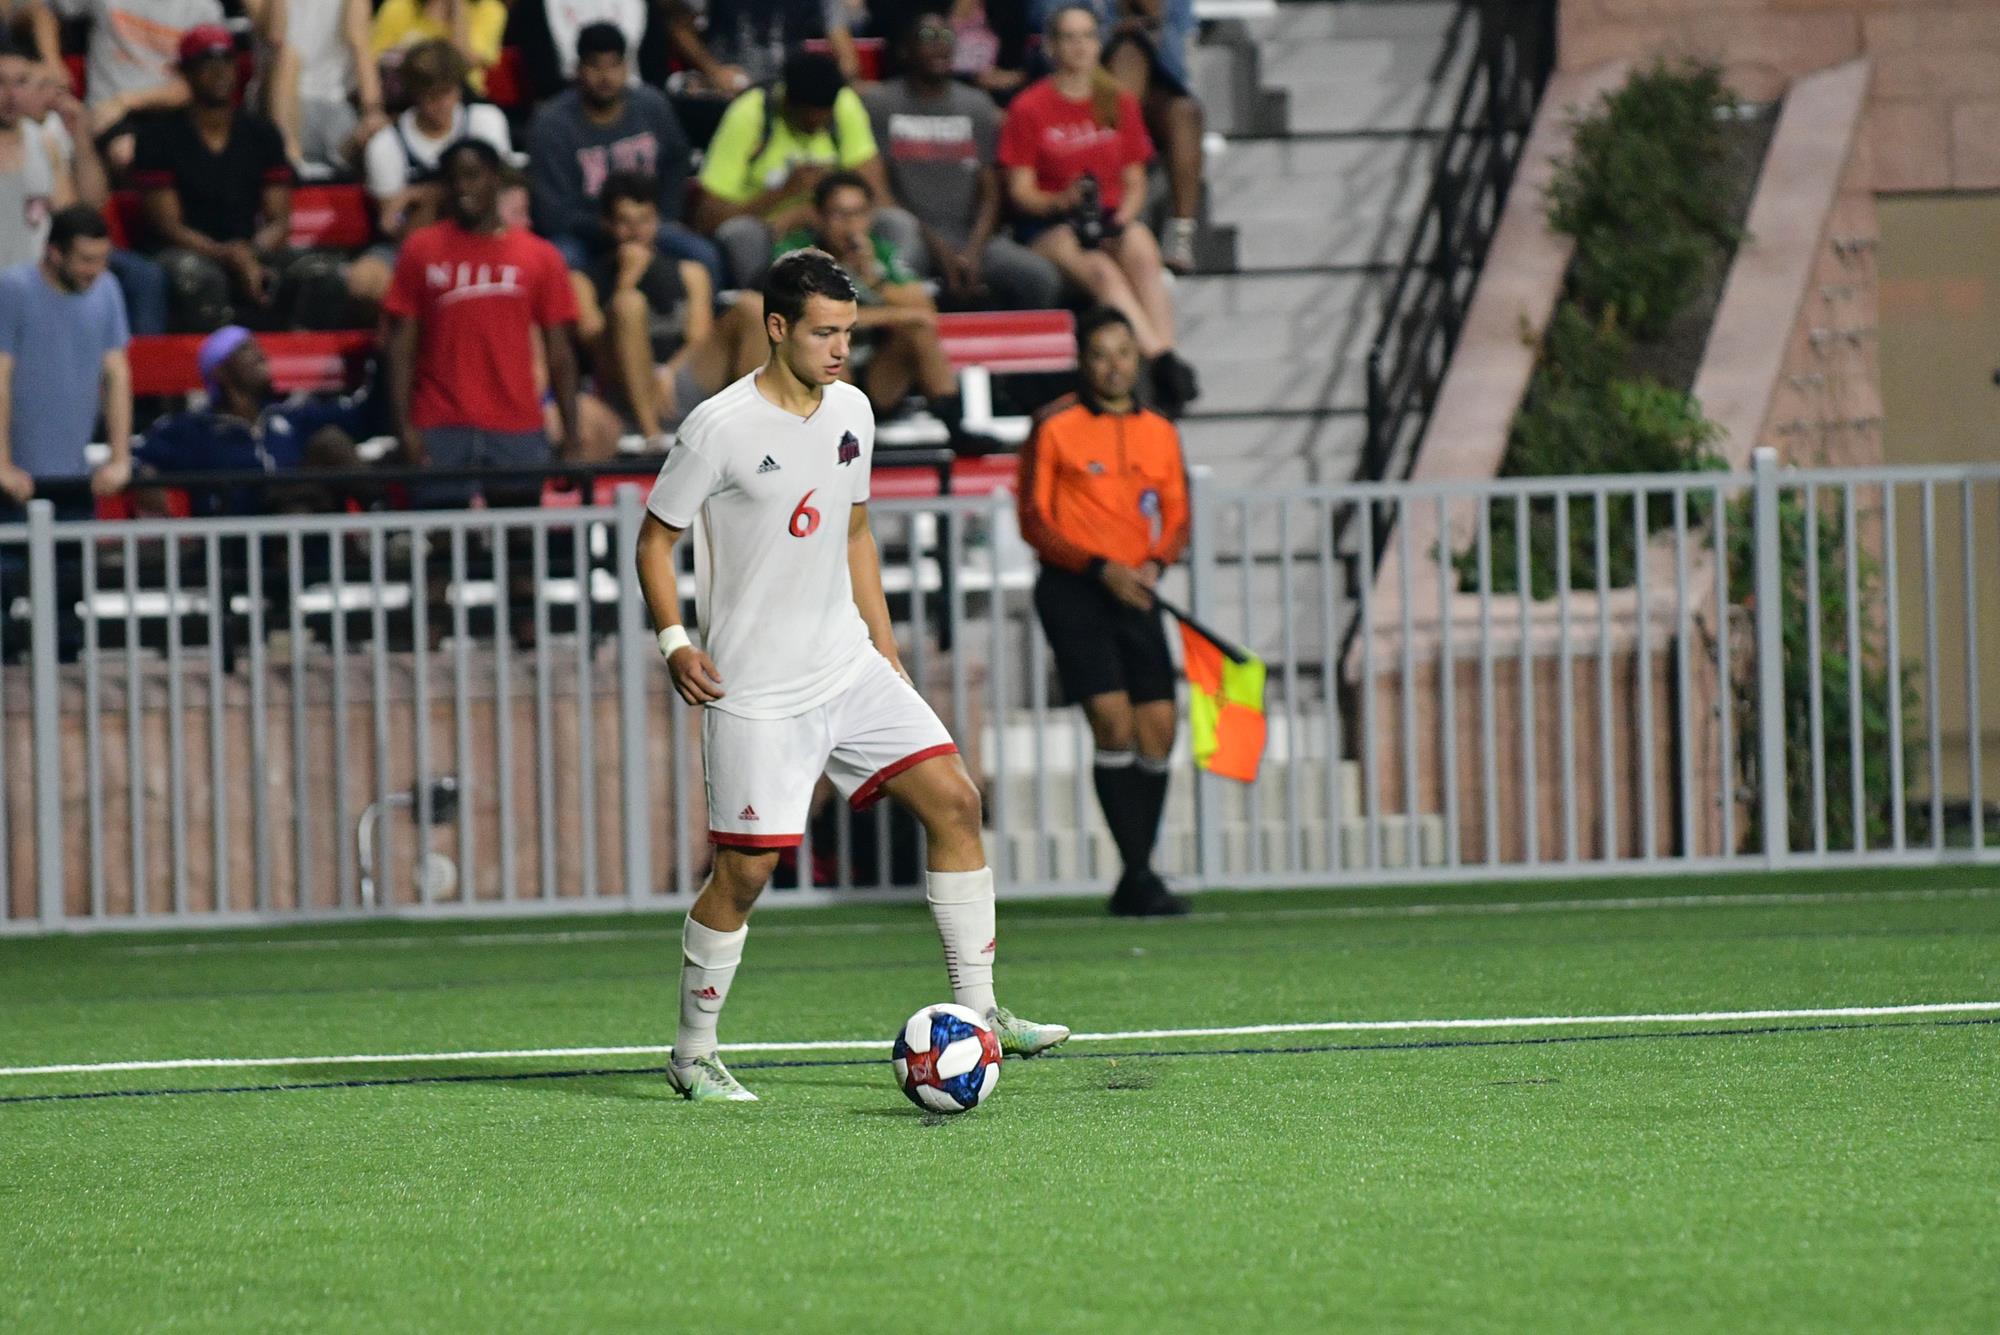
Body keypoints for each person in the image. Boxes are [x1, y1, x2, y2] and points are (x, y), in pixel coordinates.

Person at [632, 247, 1069, 1102]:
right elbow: (655, 540)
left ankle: (980, 1018)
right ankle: (692, 1051)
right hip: (753, 689)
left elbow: (856, 531)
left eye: (850, 333)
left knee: (956, 801)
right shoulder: (717, 427)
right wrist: (675, 642)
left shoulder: (855, 410)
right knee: (745, 875)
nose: (841, 349)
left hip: (846, 665)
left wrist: (886, 645)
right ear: (776, 327)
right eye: (826, 333)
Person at [1017, 306, 1188, 916]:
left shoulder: (1162, 431)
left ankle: (1137, 873)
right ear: (1082, 361)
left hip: (1138, 589)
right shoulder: (1055, 425)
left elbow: (1176, 514)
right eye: (1100, 354)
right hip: (1075, 589)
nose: (1113, 366)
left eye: (1124, 353)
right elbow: (1034, 520)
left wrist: (1155, 564)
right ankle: (1139, 873)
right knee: (1113, 724)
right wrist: (1099, 568)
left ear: (1137, 359)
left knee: (1161, 729)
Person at [1000, 3, 1198, 416]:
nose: (1079, 47)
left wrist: (1122, 217)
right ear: (1053, 47)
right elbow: (1020, 191)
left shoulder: (1116, 99)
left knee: (1142, 246)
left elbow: (1135, 179)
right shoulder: (1030, 107)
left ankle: (1166, 352)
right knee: (1101, 272)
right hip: (1050, 224)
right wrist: (1061, 200)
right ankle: (1161, 360)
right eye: (1069, 37)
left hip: (1107, 217)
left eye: (1088, 36)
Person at [383, 136, 581, 511]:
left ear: (495, 179)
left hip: (516, 422)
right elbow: (400, 347)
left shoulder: (540, 256)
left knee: (522, 550)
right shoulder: (419, 250)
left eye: (473, 176)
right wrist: (404, 428)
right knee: (439, 550)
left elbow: (560, 354)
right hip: (438, 422)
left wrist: (572, 438)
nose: (462, 188)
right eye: (453, 179)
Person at [130, 25, 335, 332]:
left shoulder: (262, 134)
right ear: (185, 72)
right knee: (193, 276)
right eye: (207, 63)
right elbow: (167, 226)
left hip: (250, 246)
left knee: (320, 272)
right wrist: (228, 255)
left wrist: (249, 253)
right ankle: (209, 372)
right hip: (188, 250)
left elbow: (279, 220)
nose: (220, 71)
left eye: (227, 61)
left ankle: (301, 372)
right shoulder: (157, 137)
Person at [775, 170, 997, 448]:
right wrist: (892, 315)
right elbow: (815, 318)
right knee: (827, 340)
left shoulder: (880, 253)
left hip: (877, 374)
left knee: (918, 330)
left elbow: (925, 312)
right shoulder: (798, 254)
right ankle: (843, 436)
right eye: (839, 215)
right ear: (819, 216)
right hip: (819, 380)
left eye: (858, 214)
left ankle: (955, 427)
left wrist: (874, 279)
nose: (850, 225)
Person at [863, 12, 1059, 311]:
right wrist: (938, 247)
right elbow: (879, 190)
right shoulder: (880, 104)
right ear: (905, 50)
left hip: (971, 238)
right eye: (928, 38)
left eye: (946, 37)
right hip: (912, 234)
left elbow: (989, 190)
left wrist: (973, 250)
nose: (940, 46)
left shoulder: (976, 105)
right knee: (898, 276)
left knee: (1041, 278)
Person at [570, 171, 766, 445]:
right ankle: (653, 442)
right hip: (621, 388)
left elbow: (698, 338)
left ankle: (759, 442)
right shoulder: (583, 280)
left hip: (676, 379)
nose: (636, 232)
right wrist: (627, 281)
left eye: (644, 220)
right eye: (625, 222)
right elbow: (592, 345)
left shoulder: (691, 272)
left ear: (657, 220)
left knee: (751, 305)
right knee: (629, 304)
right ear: (607, 224)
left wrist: (666, 373)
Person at [692, 49, 914, 289]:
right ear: (787, 102)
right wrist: (782, 193)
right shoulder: (750, 113)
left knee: (895, 222)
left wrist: (826, 214)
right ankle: (765, 304)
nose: (818, 127)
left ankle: (895, 290)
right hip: (773, 228)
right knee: (741, 232)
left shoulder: (843, 104)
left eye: (825, 120)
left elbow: (874, 189)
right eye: (809, 121)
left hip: (835, 222)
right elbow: (707, 218)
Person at [525, 22, 718, 286]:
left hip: (649, 225)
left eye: (614, 65)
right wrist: (614, 229)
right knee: (561, 259)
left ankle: (711, 321)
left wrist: (664, 217)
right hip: (586, 235)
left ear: (627, 67)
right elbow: (553, 213)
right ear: (578, 69)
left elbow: (677, 162)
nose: (605, 76)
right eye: (595, 65)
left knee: (704, 255)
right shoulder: (551, 124)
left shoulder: (652, 106)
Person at [1030, 0, 1203, 272]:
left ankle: (1180, 232)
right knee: (1127, 51)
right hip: (1073, 87)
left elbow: (1177, 71)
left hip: (1147, 94)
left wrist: (1152, 16)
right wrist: (1111, 31)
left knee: (1185, 111)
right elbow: (1049, 34)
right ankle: (1108, 192)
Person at [133, 324, 371, 514]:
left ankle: (386, 525)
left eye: (257, 347)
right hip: (235, 548)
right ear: (220, 371)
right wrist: (144, 476)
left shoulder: (290, 415)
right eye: (245, 349)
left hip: (301, 535)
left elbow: (365, 416)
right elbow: (133, 455)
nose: (260, 354)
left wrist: (380, 352)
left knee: (331, 443)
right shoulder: (194, 429)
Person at [346, 39, 511, 307]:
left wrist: (420, 193)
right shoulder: (387, 145)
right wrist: (407, 213)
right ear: (415, 95)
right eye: (433, 97)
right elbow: (392, 222)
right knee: (363, 279)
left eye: (450, 92)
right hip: (413, 246)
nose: (444, 104)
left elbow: (503, 196)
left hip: (482, 237)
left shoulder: (484, 122)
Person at [55, 0, 225, 168]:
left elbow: (194, 86)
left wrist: (125, 102)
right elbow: (42, 7)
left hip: (170, 110)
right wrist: (51, 60)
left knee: (209, 151)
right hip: (108, 111)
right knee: (126, 152)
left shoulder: (203, 9)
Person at [268, 0, 388, 171]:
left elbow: (359, 41)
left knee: (376, 142)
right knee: (287, 58)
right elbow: (275, 35)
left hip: (334, 100)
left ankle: (338, 162)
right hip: (279, 99)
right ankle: (291, 166)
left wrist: (372, 112)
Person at [662, 0, 858, 92]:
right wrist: (714, 71)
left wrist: (841, 79)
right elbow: (679, 28)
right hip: (729, 89)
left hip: (789, 91)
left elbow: (843, 46)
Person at [370, 0, 510, 96]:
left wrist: (457, 7)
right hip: (404, 93)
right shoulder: (400, 6)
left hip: (462, 97)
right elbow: (375, 60)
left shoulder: (490, 9)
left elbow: (463, 62)